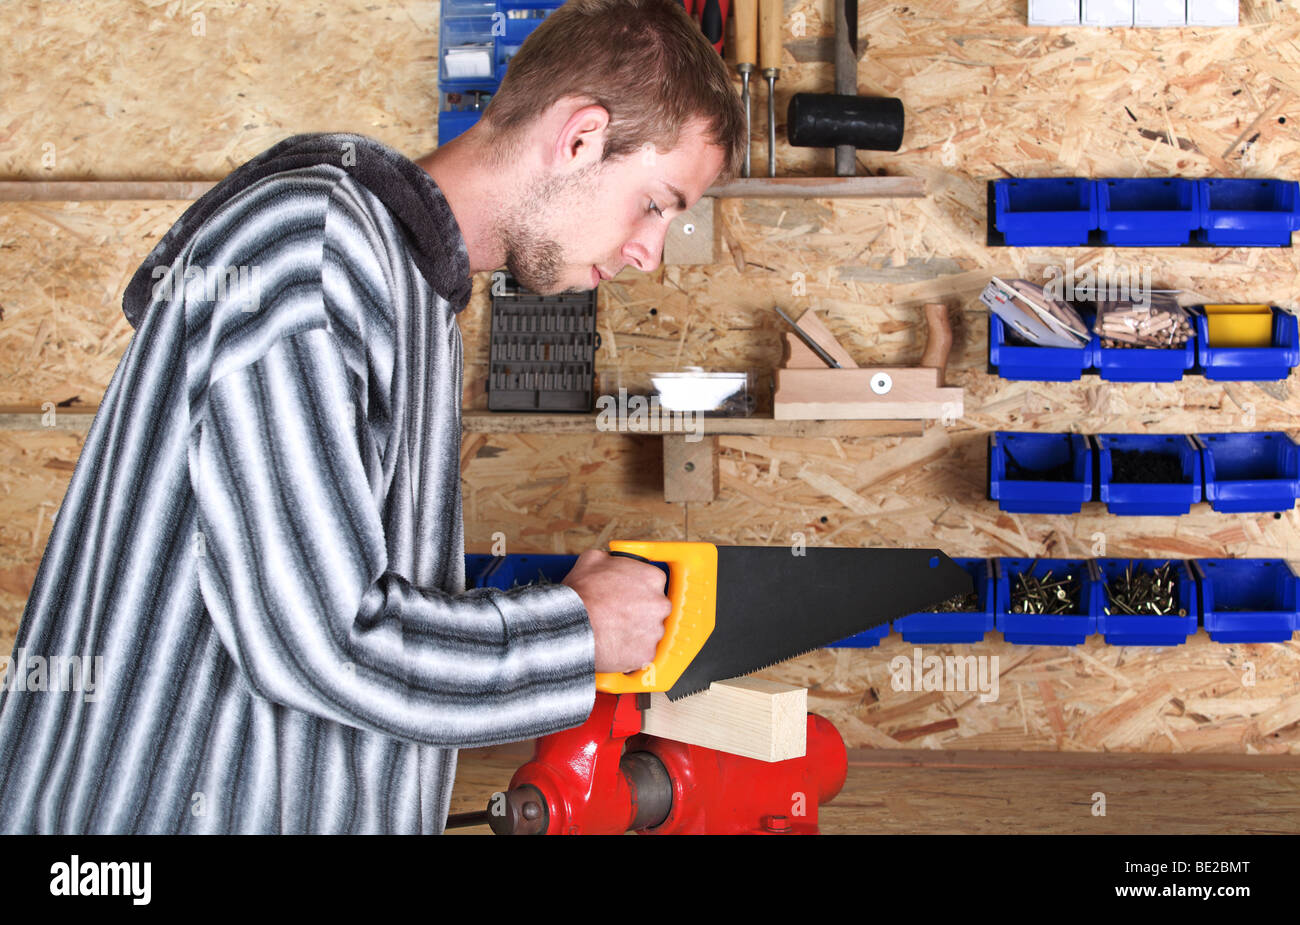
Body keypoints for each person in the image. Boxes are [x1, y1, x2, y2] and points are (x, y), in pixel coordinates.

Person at [0, 0, 745, 833]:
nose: (650, 251)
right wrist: (576, 632)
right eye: (655, 203)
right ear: (580, 137)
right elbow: (321, 641)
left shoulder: (415, 295)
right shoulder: (313, 250)